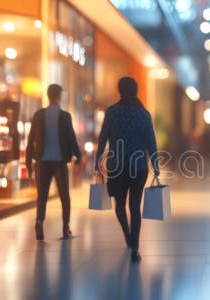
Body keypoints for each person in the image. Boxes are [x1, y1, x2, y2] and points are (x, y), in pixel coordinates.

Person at [95, 77, 159, 263]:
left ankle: (128, 235)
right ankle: (135, 248)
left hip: (117, 166)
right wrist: (155, 164)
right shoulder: (143, 114)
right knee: (135, 207)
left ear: (120, 90)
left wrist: (98, 160)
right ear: (136, 90)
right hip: (139, 167)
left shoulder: (112, 112)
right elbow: (150, 142)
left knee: (120, 204)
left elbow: (103, 137)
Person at [26, 84, 82, 241]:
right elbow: (71, 138)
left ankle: (39, 222)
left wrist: (27, 161)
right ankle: (65, 227)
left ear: (48, 96)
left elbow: (31, 140)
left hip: (42, 162)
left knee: (41, 196)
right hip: (59, 162)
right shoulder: (65, 116)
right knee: (64, 196)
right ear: (59, 96)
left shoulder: (38, 115)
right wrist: (78, 156)